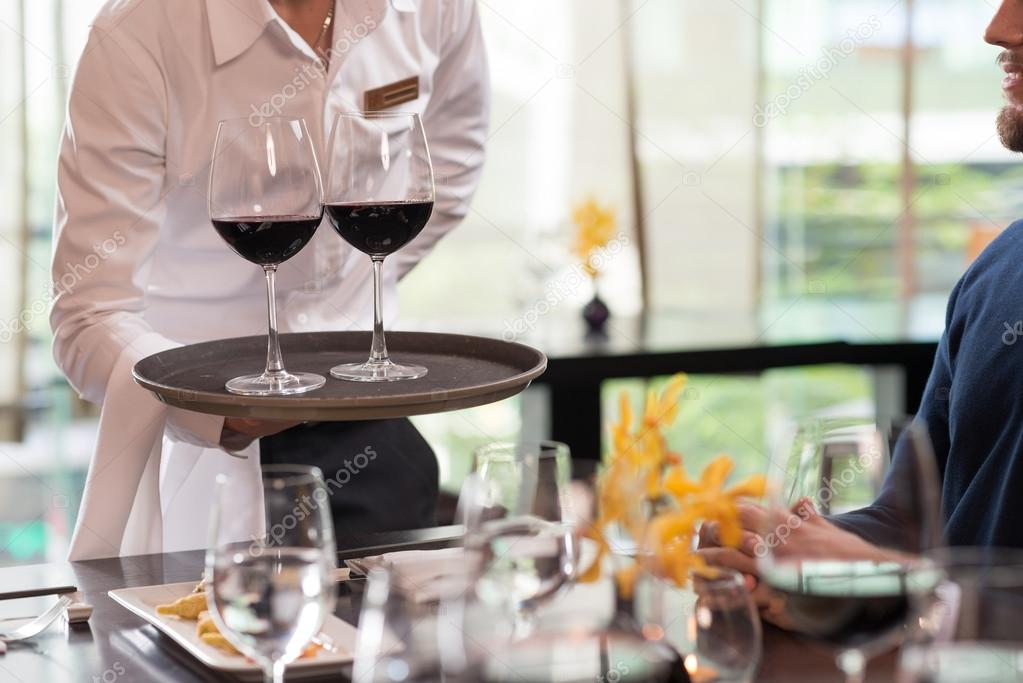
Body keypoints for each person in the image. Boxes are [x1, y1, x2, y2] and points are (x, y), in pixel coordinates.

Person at [50, 0, 489, 560]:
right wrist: (213, 408)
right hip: (208, 459)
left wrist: (368, 276)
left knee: (387, 639)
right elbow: (86, 315)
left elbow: (452, 157)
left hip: (373, 431)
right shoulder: (137, 32)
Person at [698, 0, 1023, 582]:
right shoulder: (1000, 267)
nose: (997, 29)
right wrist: (786, 543)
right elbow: (910, 523)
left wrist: (879, 572)